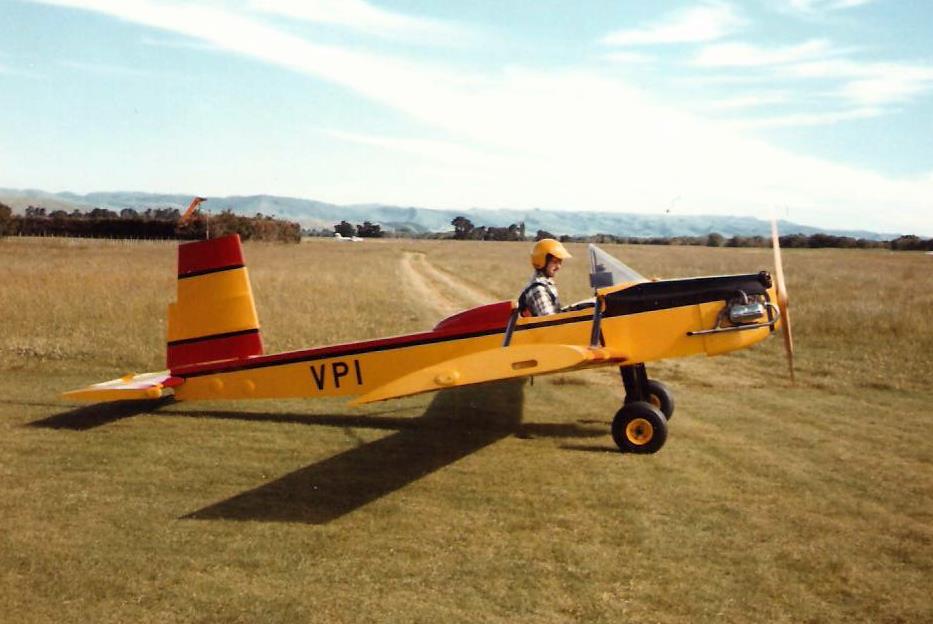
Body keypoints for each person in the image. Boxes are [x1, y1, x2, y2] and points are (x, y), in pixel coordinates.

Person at [518, 238, 572, 316]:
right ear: (542, 261)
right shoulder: (538, 289)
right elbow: (550, 322)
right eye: (554, 262)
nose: (558, 267)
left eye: (560, 262)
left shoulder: (546, 283)